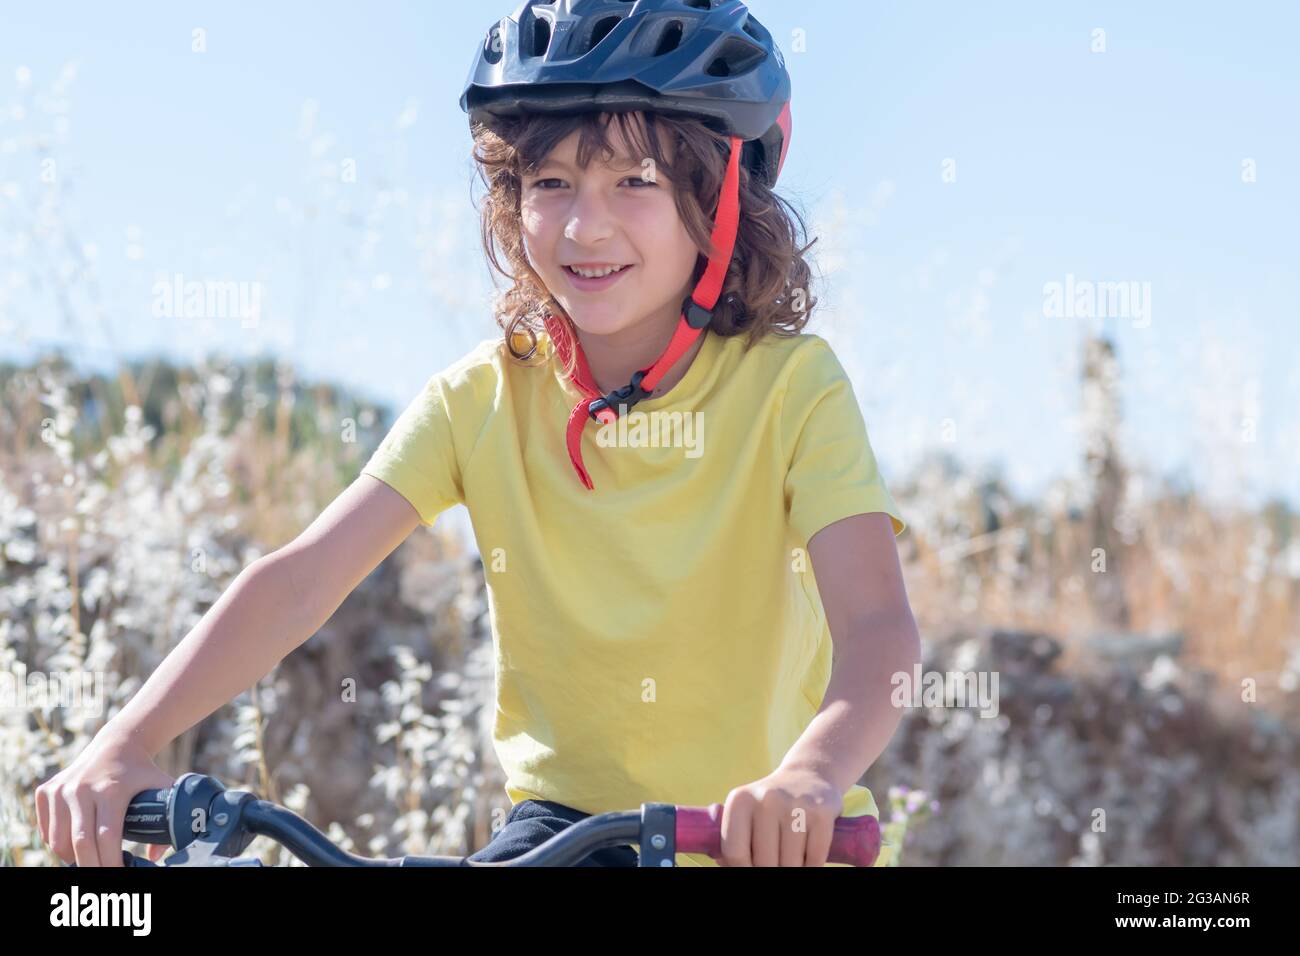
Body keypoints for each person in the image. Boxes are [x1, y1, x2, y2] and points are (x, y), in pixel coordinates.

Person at [35, 0, 919, 868]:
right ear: (511, 199)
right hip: (564, 834)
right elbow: (300, 582)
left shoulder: (793, 388)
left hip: (762, 839)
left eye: (636, 181)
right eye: (551, 182)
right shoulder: (479, 398)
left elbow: (879, 629)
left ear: (722, 194)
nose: (585, 224)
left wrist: (810, 776)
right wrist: (126, 739)